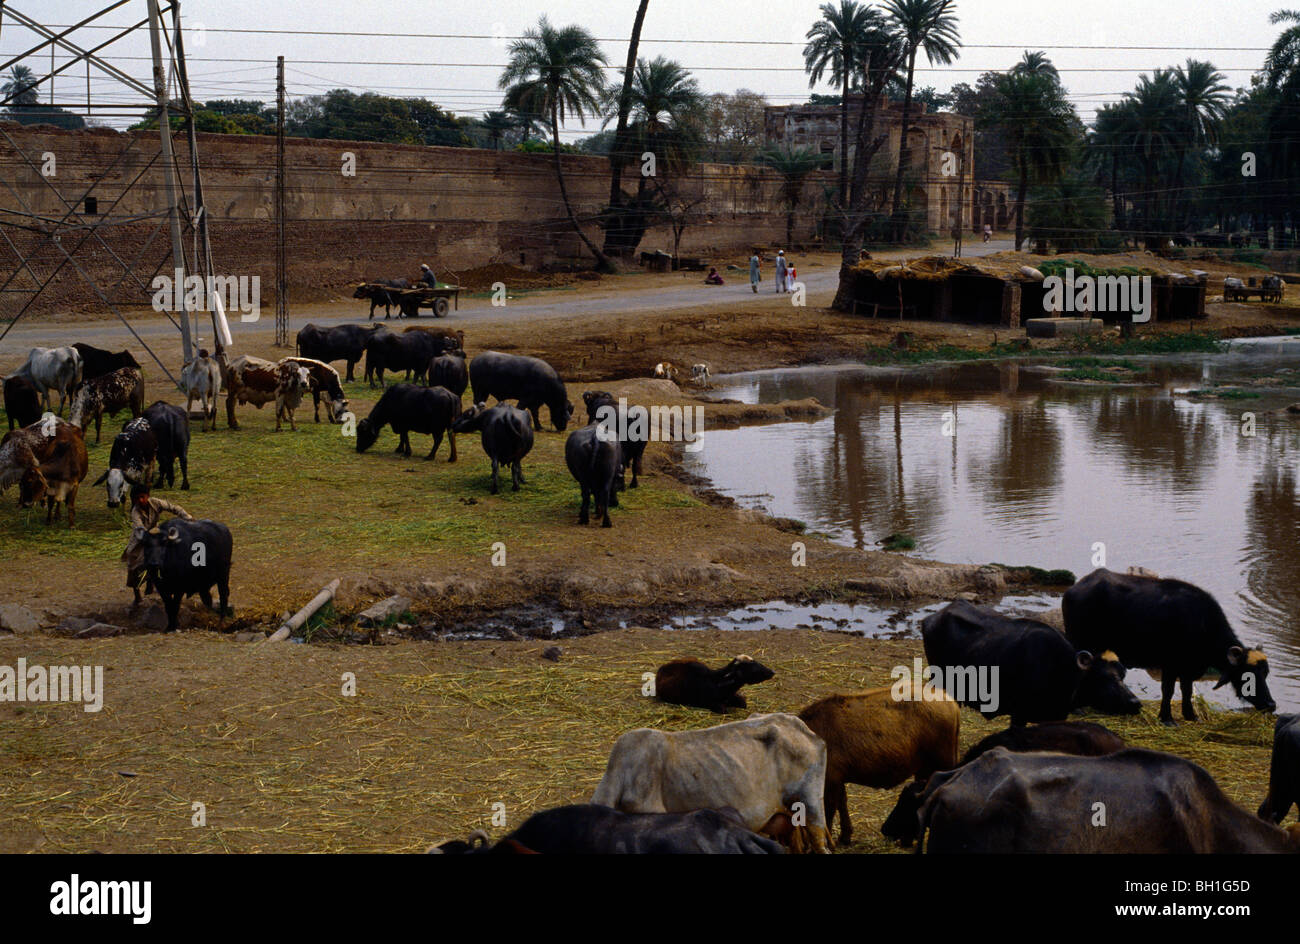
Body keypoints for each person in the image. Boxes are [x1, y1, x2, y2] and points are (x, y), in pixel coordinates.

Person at [122, 483, 193, 605]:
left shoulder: (155, 502)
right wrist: (152, 535)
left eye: (142, 497)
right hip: (141, 539)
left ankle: (164, 582)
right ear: (133, 499)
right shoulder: (135, 512)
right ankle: (137, 594)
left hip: (156, 534)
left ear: (148, 496)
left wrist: (187, 517)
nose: (140, 500)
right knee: (133, 565)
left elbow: (173, 507)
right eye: (137, 498)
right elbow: (139, 529)